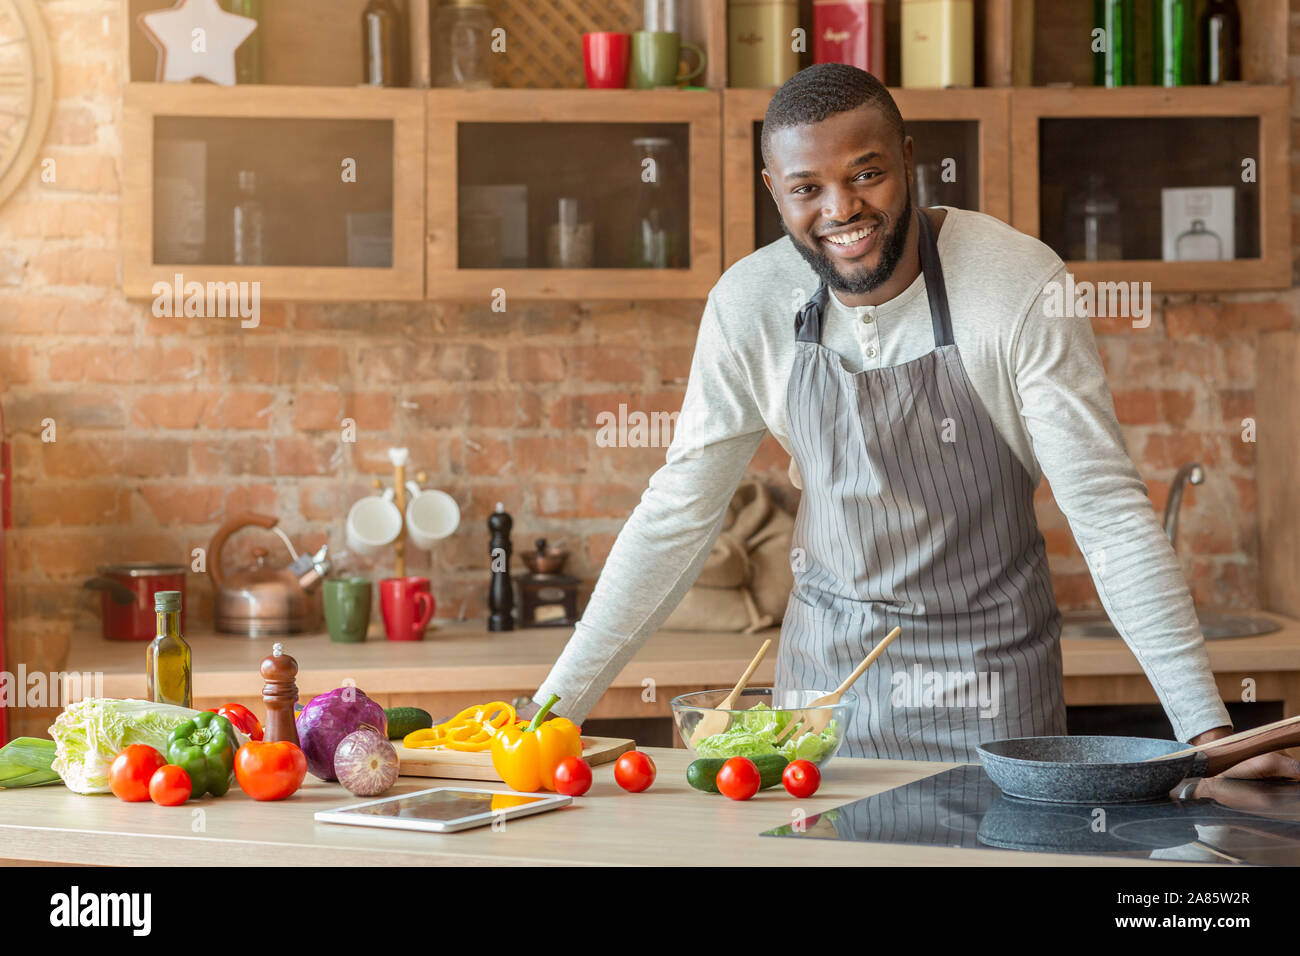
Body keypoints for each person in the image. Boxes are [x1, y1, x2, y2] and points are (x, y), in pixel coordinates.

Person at [530, 63, 1296, 774]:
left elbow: (1107, 513)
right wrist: (545, 716)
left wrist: (1211, 736)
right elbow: (676, 516)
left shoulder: (1016, 283)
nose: (842, 211)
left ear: (908, 157)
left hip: (994, 702)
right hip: (819, 712)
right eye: (808, 189)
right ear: (774, 190)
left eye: (867, 174)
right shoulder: (749, 305)